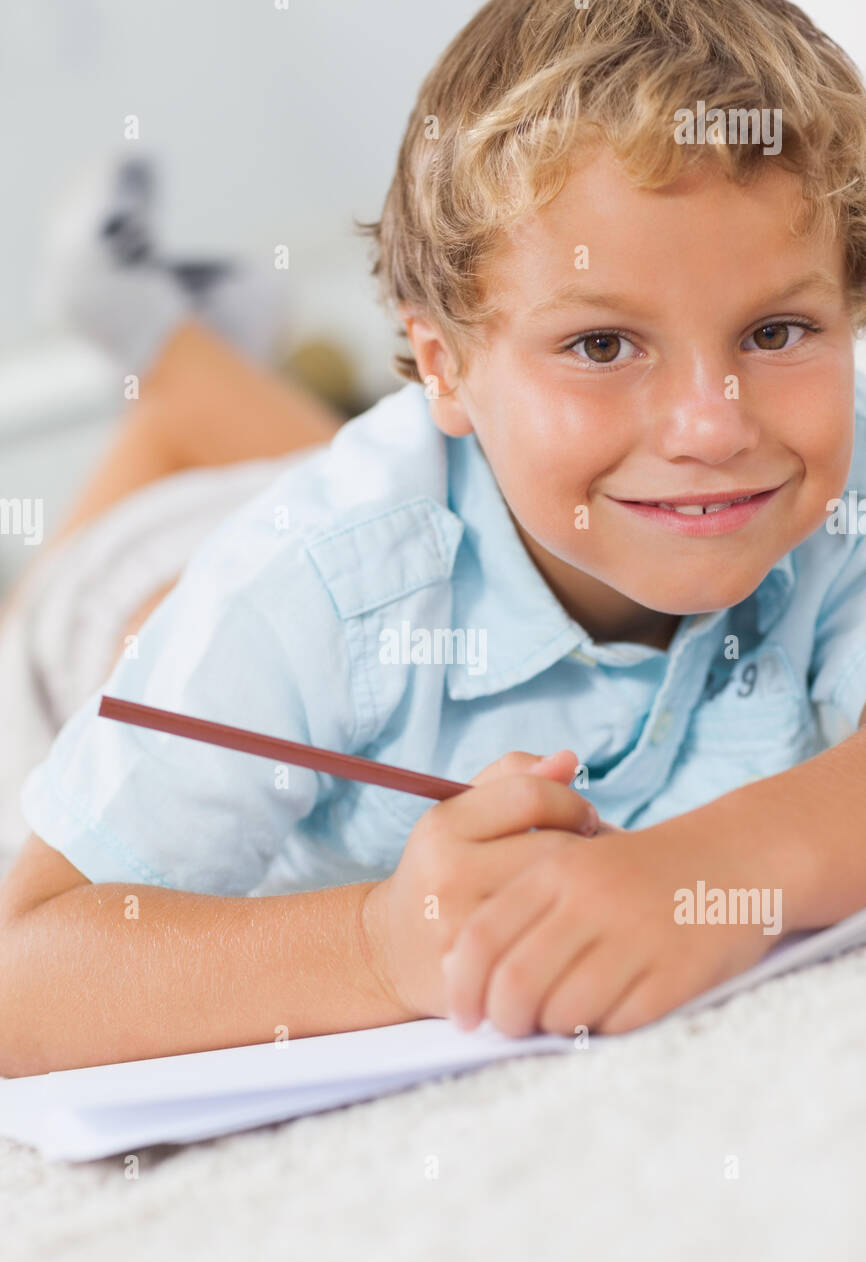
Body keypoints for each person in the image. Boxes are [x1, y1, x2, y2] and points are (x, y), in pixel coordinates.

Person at [2, 0, 866, 1077]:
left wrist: (703, 872)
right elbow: (21, 975)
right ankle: (173, 369)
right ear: (442, 367)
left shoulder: (842, 477)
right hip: (121, 594)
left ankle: (196, 373)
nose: (711, 424)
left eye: (775, 331)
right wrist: (376, 946)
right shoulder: (305, 585)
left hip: (417, 497)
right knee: (133, 607)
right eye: (600, 343)